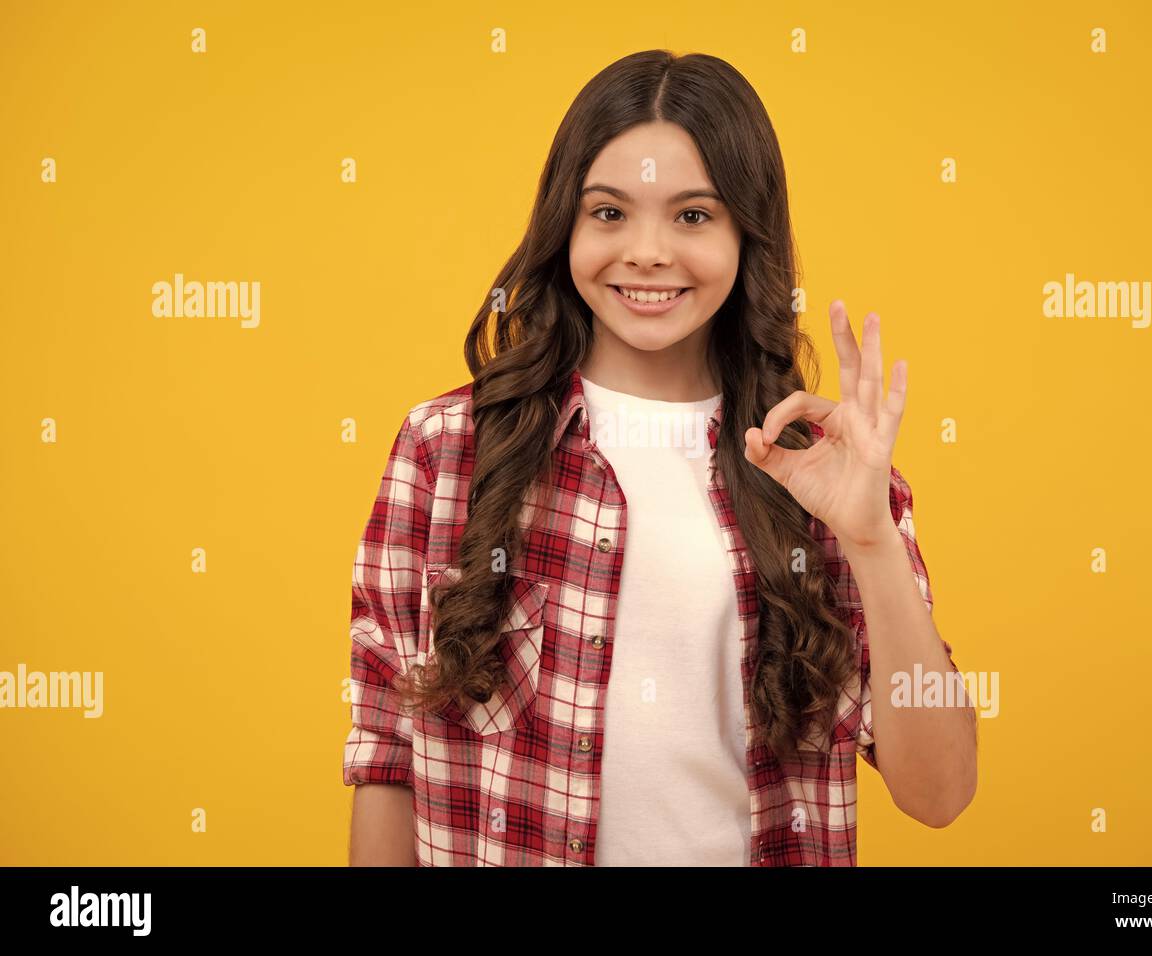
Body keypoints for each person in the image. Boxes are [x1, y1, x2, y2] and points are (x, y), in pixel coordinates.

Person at [344, 49, 977, 867]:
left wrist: (871, 542)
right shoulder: (446, 449)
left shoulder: (822, 476)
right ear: (564, 226)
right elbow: (388, 753)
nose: (646, 252)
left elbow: (940, 793)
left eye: (693, 216)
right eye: (609, 212)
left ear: (747, 234)